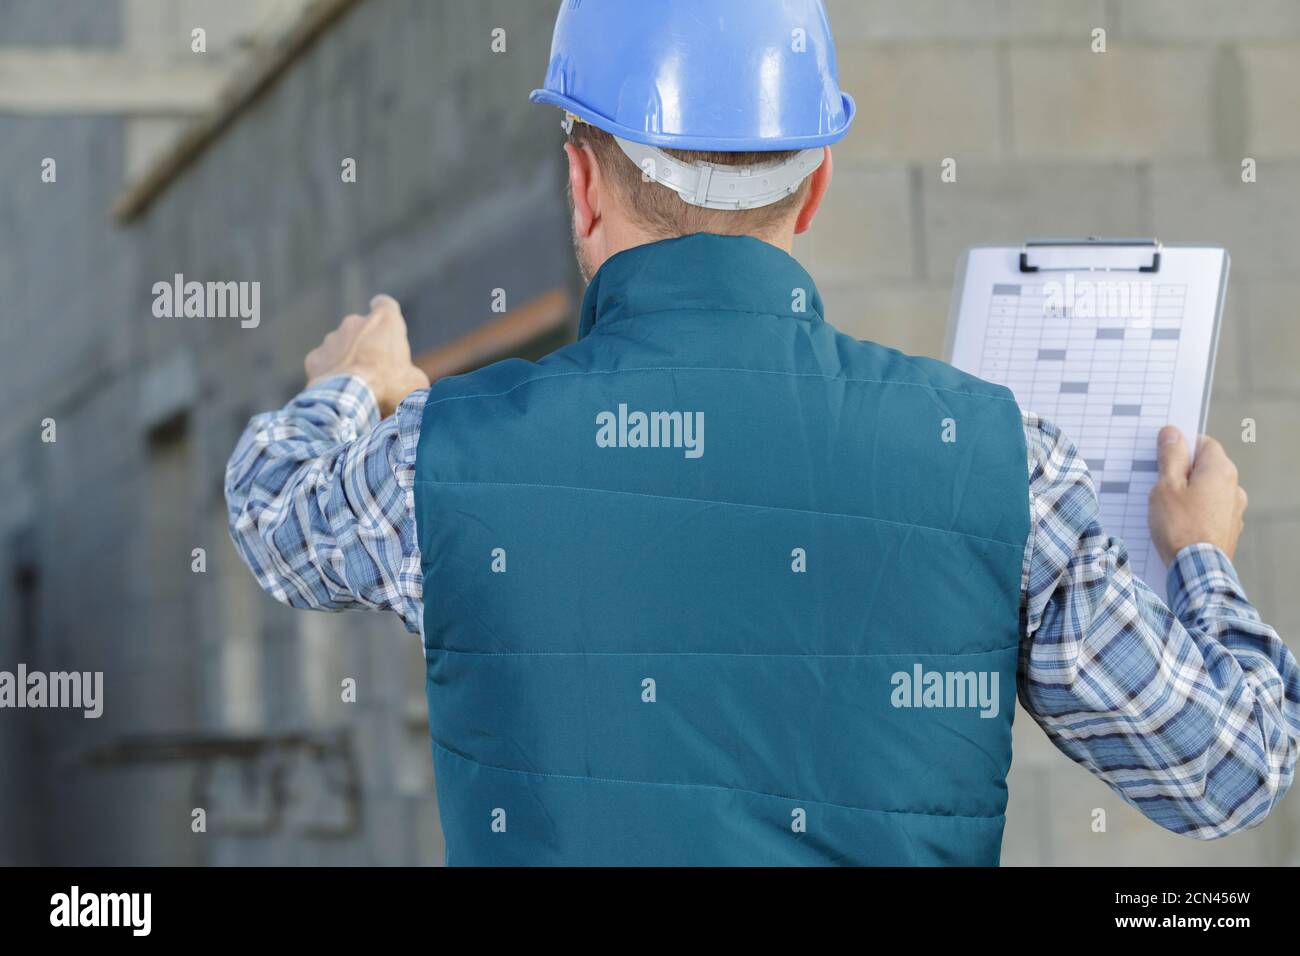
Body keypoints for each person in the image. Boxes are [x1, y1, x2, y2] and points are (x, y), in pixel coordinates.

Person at [225, 0, 1298, 865]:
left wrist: (357, 386)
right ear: (817, 182)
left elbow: (271, 509)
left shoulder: (441, 455)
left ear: (582, 186)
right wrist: (1197, 556)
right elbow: (1232, 766)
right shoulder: (1002, 459)